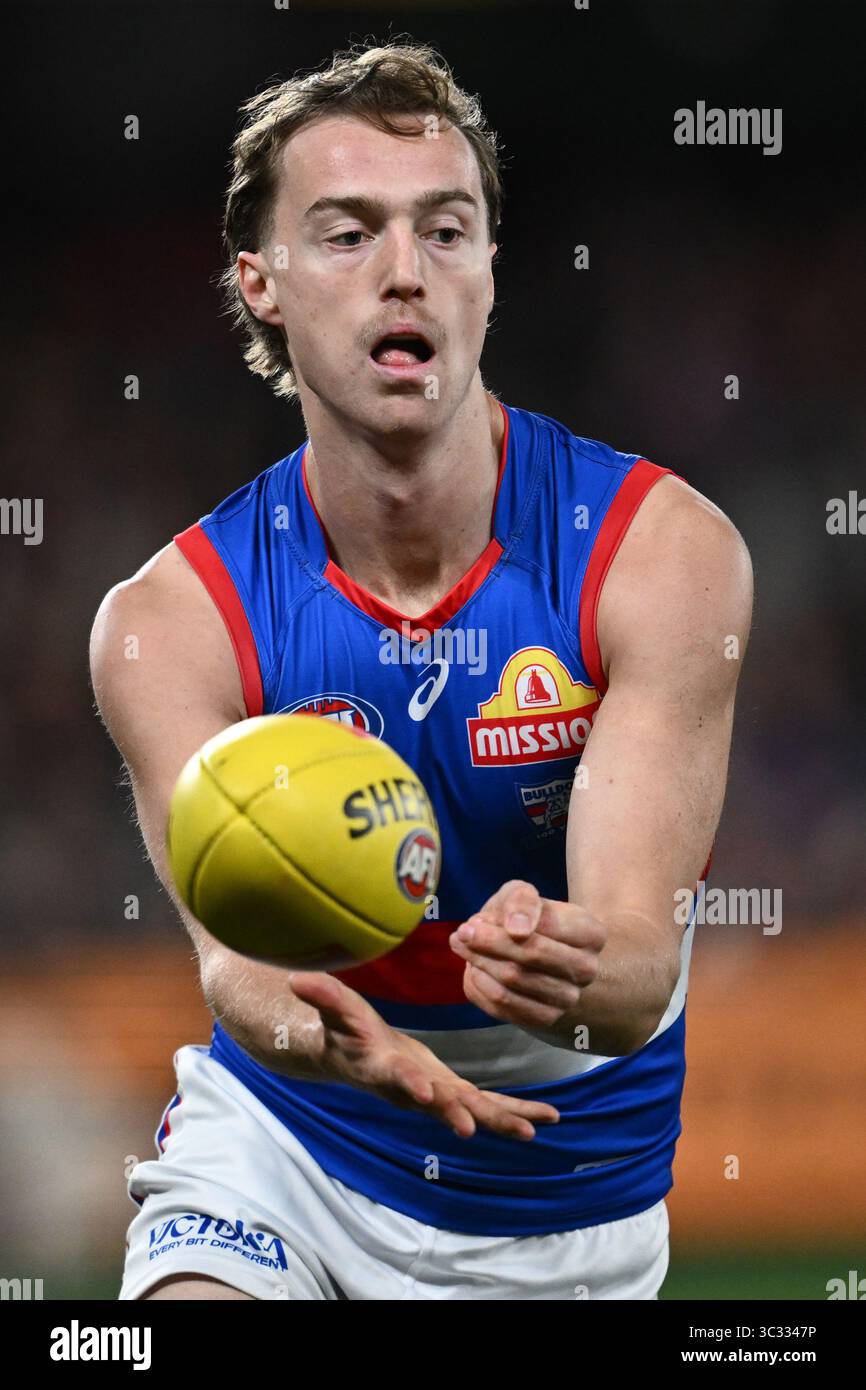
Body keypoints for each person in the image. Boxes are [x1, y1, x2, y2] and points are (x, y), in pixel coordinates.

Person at [90, 39, 753, 1301]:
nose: (406, 272)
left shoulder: (657, 556)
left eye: (445, 231)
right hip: (291, 1143)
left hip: (567, 1199)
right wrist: (325, 1038)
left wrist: (554, 961)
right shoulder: (170, 623)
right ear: (262, 282)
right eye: (345, 234)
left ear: (491, 271)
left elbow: (630, 979)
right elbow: (233, 968)